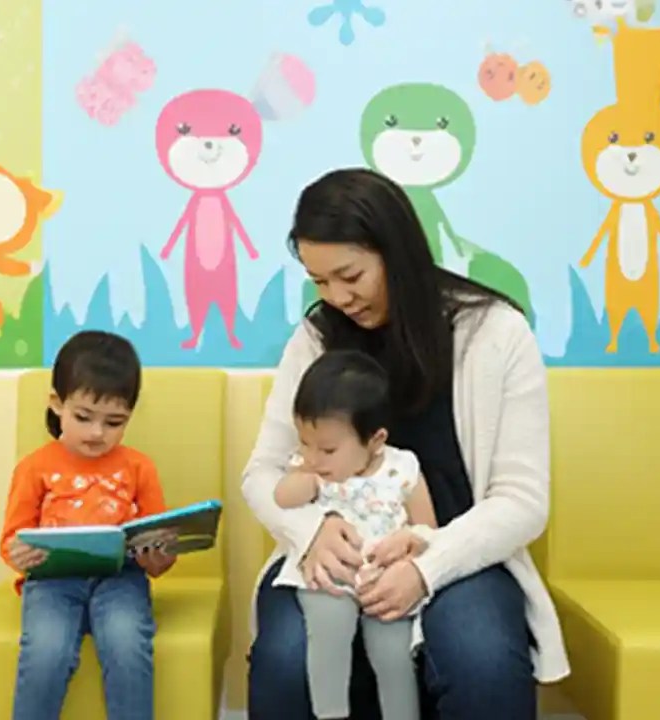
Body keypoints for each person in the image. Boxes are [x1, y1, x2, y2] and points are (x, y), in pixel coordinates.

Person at [243, 168, 570, 720]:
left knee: (483, 662)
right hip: (338, 554)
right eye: (319, 282)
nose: (338, 298)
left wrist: (426, 565)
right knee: (285, 659)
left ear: (395, 251)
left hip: (461, 555)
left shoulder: (495, 333)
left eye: (350, 275)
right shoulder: (316, 338)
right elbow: (262, 473)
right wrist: (312, 530)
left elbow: (521, 500)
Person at [0, 330, 176, 720]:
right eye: (83, 417)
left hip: (120, 579)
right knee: (46, 650)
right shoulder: (35, 467)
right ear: (56, 405)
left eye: (114, 422)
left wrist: (159, 557)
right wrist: (21, 554)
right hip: (52, 582)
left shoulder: (138, 467)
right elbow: (11, 540)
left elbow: (157, 547)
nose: (97, 433)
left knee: (127, 643)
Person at [273, 349, 437, 720]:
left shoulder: (402, 468)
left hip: (387, 581)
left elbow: (428, 530)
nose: (314, 456)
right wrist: (307, 478)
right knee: (329, 630)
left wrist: (410, 542)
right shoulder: (313, 469)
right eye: (304, 442)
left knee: (393, 655)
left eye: (328, 448)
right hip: (331, 575)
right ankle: (330, 713)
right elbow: (281, 497)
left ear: (376, 440)